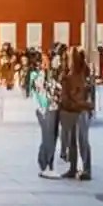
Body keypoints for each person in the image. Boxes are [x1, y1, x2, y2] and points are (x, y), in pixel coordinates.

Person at [58, 47, 94, 181]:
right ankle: (74, 168)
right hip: (75, 110)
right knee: (72, 140)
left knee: (82, 139)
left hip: (78, 110)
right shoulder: (69, 76)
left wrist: (79, 105)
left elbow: (82, 95)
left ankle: (85, 169)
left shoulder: (81, 76)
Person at [29, 49, 59, 179]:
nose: (47, 63)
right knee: (48, 137)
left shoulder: (50, 75)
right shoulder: (37, 76)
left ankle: (48, 163)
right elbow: (40, 92)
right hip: (45, 109)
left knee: (52, 137)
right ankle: (46, 165)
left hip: (53, 108)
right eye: (44, 61)